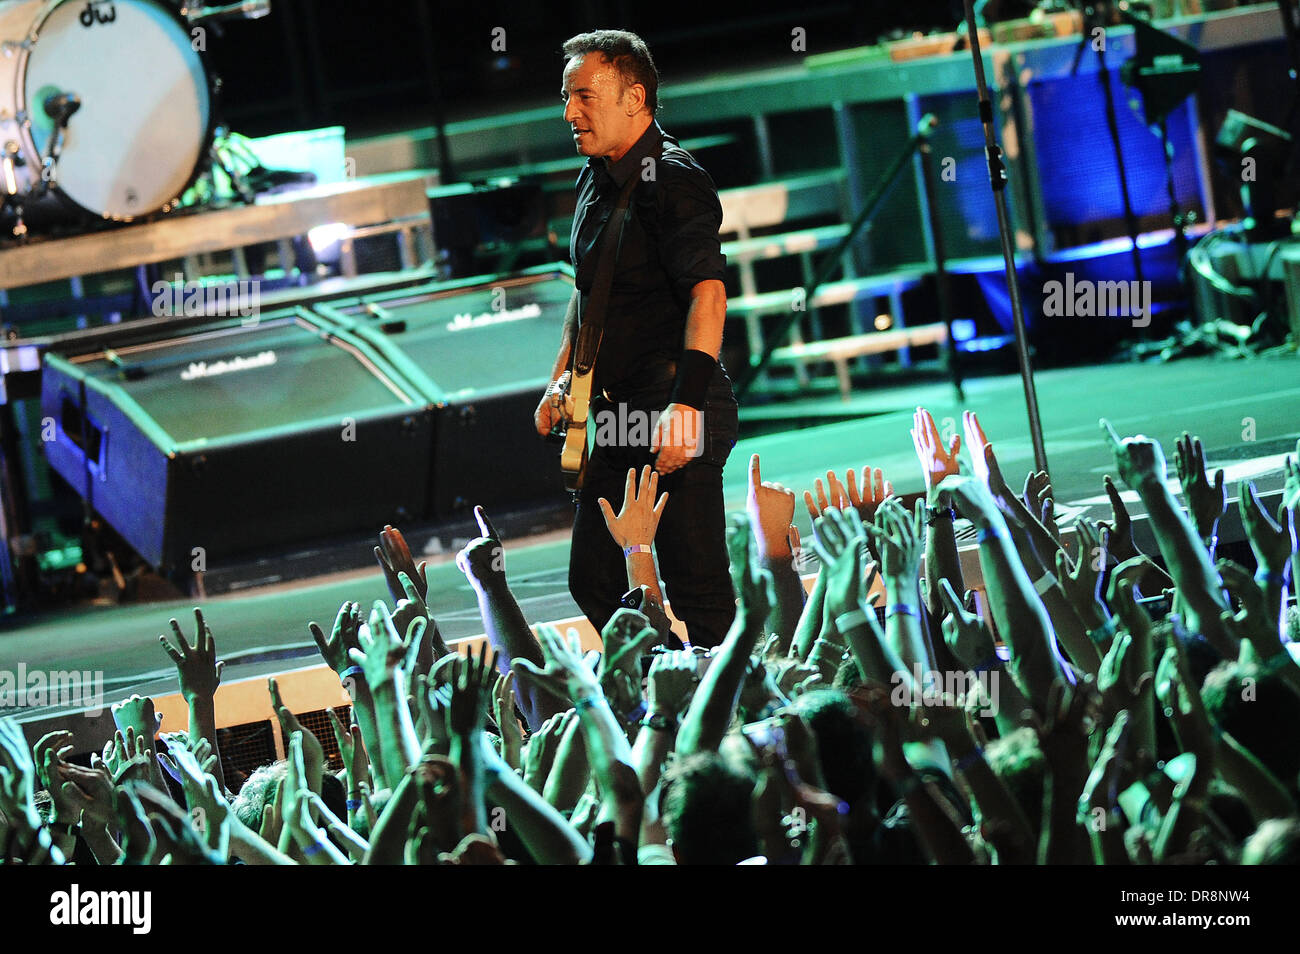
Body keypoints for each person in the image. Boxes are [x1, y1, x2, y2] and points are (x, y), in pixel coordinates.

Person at [534, 29, 738, 648]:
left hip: (675, 408)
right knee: (594, 580)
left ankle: (733, 724)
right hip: (618, 416)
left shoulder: (673, 178)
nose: (570, 113)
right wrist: (563, 377)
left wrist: (685, 405)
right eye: (567, 98)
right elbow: (587, 292)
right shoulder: (593, 179)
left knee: (697, 591)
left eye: (584, 96)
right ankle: (670, 699)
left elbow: (708, 292)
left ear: (634, 96)